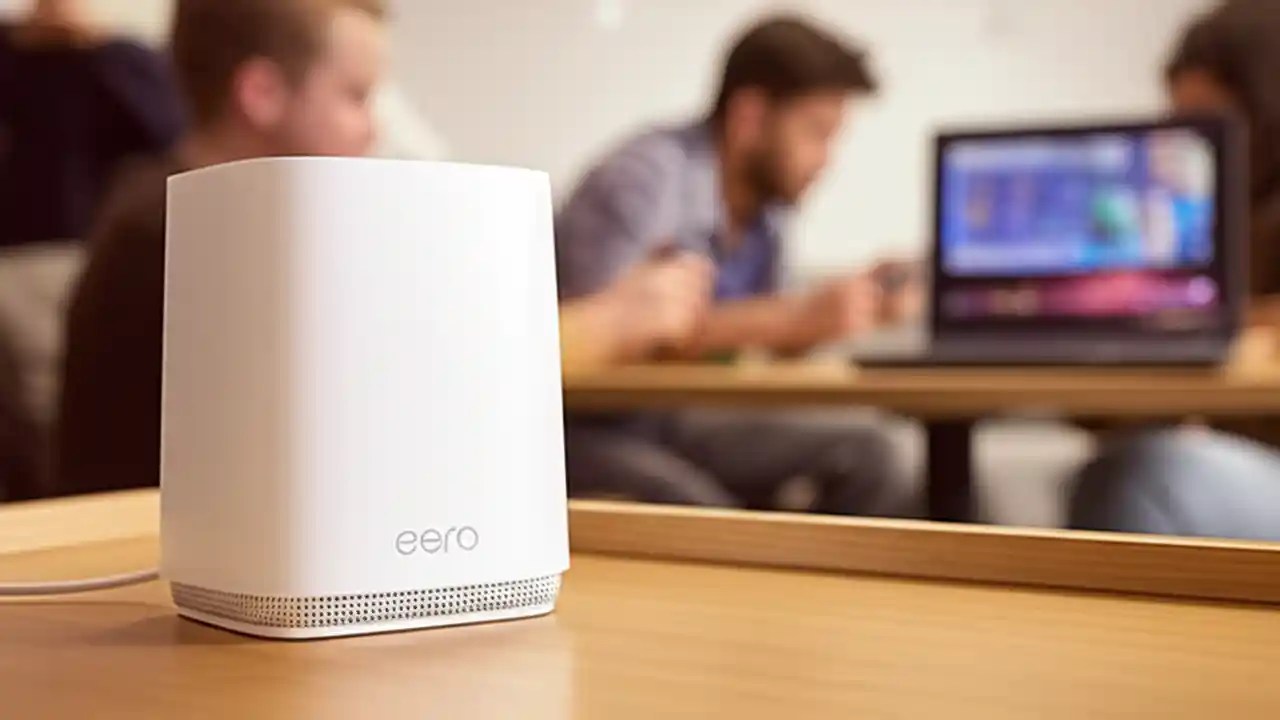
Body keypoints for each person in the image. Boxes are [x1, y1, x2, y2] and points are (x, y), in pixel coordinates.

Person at [555, 16, 919, 515]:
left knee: (876, 450)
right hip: (599, 427)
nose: (826, 159)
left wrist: (826, 320)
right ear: (750, 117)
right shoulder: (642, 180)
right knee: (711, 514)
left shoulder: (767, 211)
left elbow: (753, 356)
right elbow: (590, 353)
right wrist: (787, 318)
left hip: (690, 417)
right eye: (816, 132)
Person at [55, 0, 388, 496]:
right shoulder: (184, 238)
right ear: (262, 93)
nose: (372, 130)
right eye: (355, 97)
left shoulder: (167, 210)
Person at [1067, 1, 1280, 539]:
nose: (1192, 147)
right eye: (1180, 124)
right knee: (1121, 468)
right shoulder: (1191, 223)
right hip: (1220, 451)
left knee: (1140, 477)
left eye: (1213, 125)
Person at [0, 0, 184, 248]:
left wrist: (97, 47)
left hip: (89, 245)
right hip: (15, 247)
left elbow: (171, 138)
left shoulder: (123, 62)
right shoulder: (11, 56)